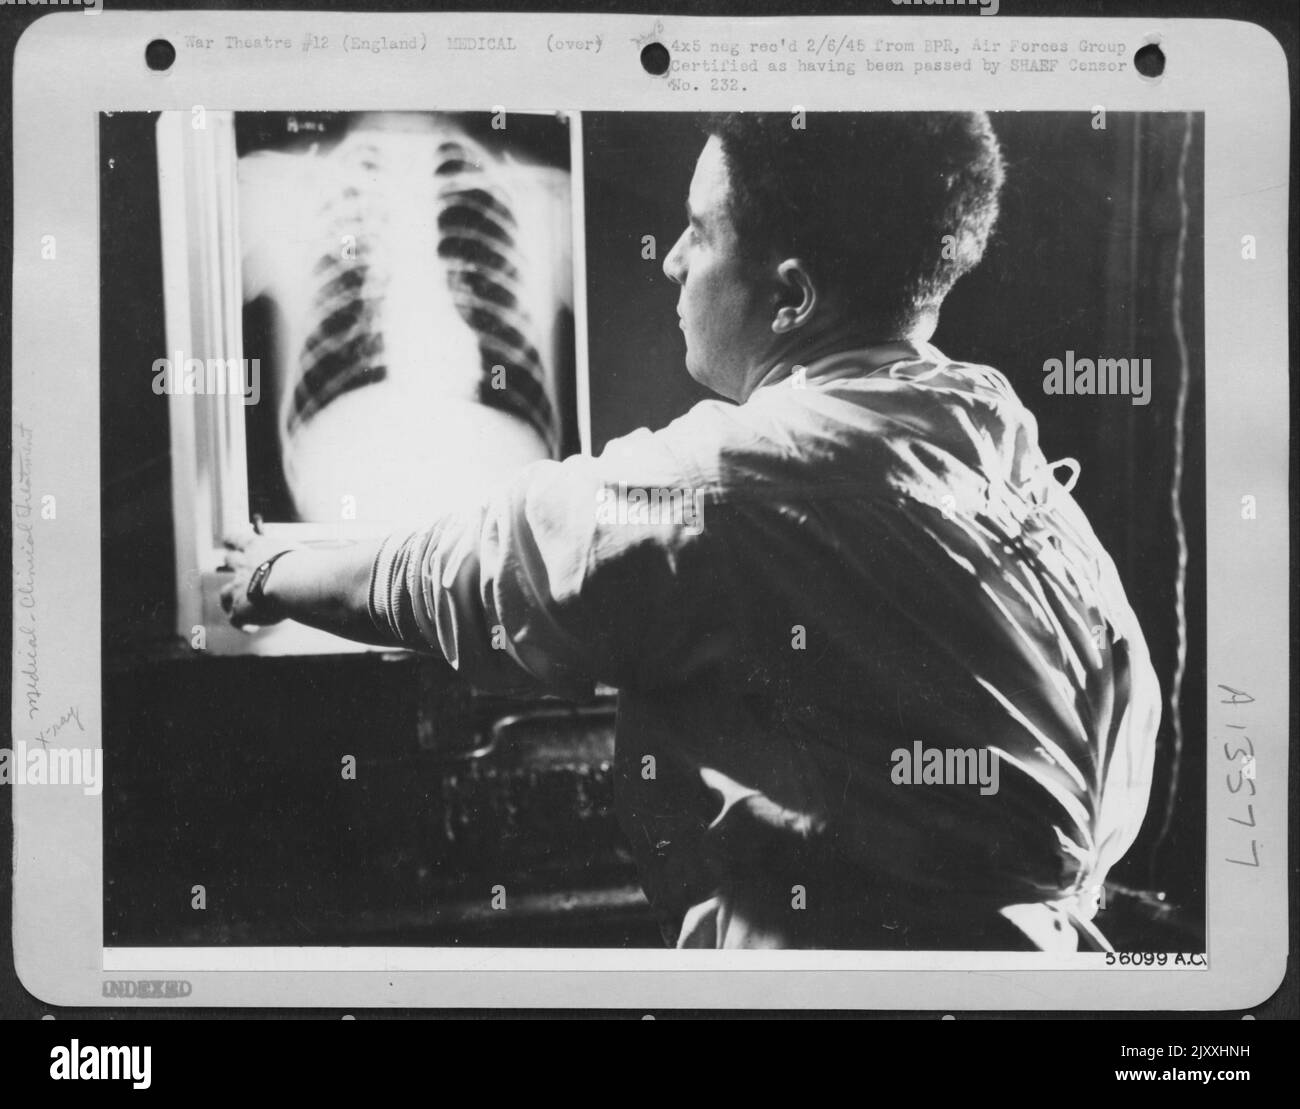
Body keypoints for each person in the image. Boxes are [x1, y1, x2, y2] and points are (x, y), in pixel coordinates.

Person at [221, 112, 1160, 951]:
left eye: (700, 231)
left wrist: (270, 573)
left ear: (789, 295)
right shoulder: (1004, 452)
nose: (670, 259)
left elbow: (475, 568)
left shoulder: (746, 476)